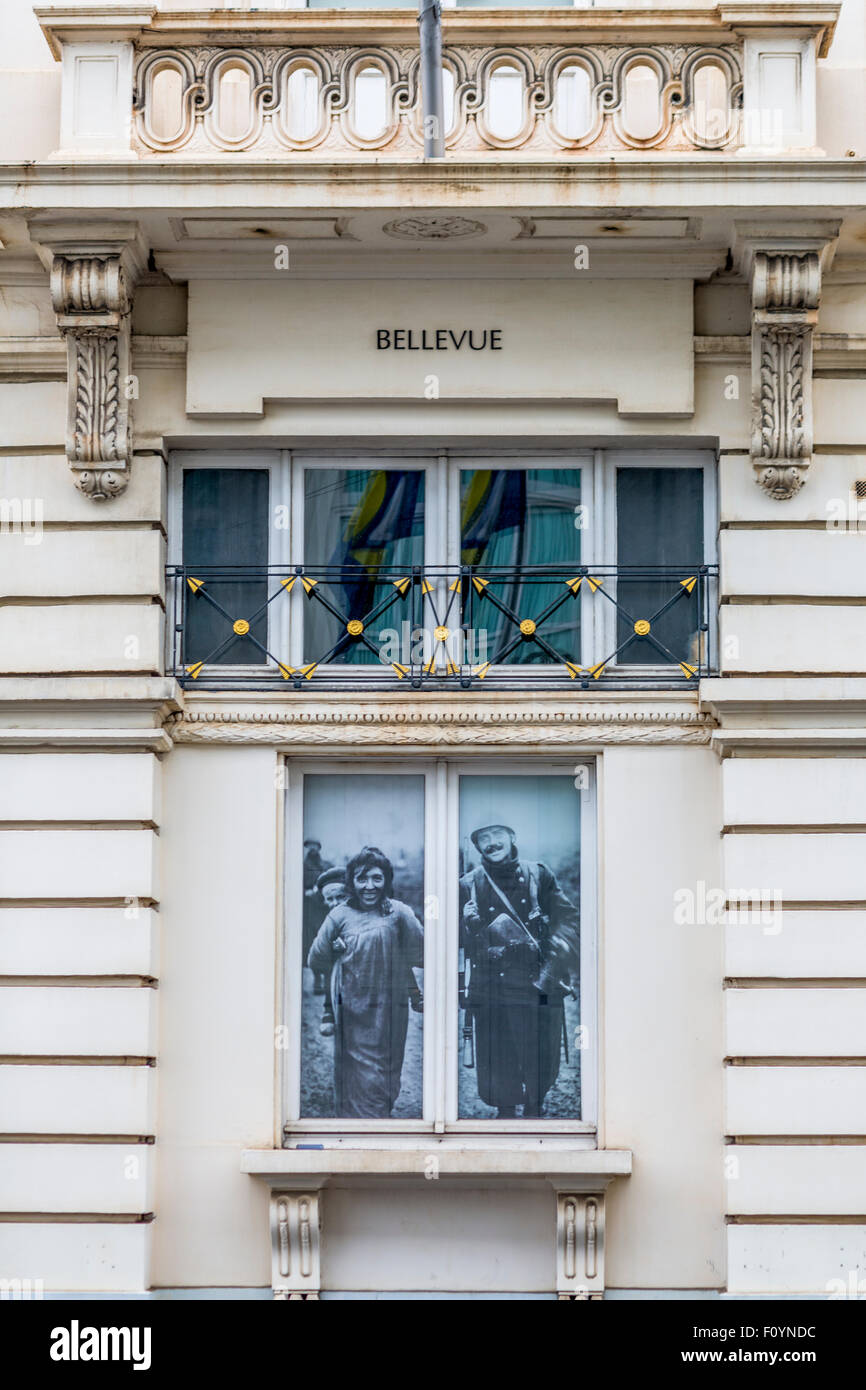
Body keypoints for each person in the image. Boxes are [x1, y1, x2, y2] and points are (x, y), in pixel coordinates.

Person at [459, 823, 579, 1119]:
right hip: (492, 984)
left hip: (537, 980)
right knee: (498, 1056)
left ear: (512, 837)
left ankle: (535, 1108)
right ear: (477, 847)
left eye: (496, 835)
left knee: (541, 1052)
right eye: (483, 839)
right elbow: (454, 941)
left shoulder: (539, 874)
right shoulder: (468, 884)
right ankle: (506, 1113)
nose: (491, 843)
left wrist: (556, 951)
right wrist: (467, 923)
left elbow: (569, 919)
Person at [308, 846, 424, 1119]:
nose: (369, 886)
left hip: (391, 1009)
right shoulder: (339, 915)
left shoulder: (399, 913)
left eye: (376, 878)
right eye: (362, 879)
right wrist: (335, 950)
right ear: (352, 882)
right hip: (353, 1009)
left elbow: (423, 953)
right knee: (362, 1072)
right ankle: (369, 1126)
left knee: (388, 1069)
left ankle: (379, 1116)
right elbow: (316, 959)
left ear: (386, 881)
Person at [314, 867, 348, 1036]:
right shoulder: (328, 918)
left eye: (341, 897)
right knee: (331, 971)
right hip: (339, 963)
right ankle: (329, 1009)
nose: (335, 903)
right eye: (330, 899)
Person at [302, 839, 331, 994]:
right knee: (312, 944)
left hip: (325, 910)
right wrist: (306, 892)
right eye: (309, 847)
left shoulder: (326, 866)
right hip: (309, 911)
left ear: (319, 848)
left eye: (315, 847)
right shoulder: (302, 867)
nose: (313, 849)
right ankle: (317, 981)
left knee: (327, 942)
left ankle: (327, 980)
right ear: (306, 849)